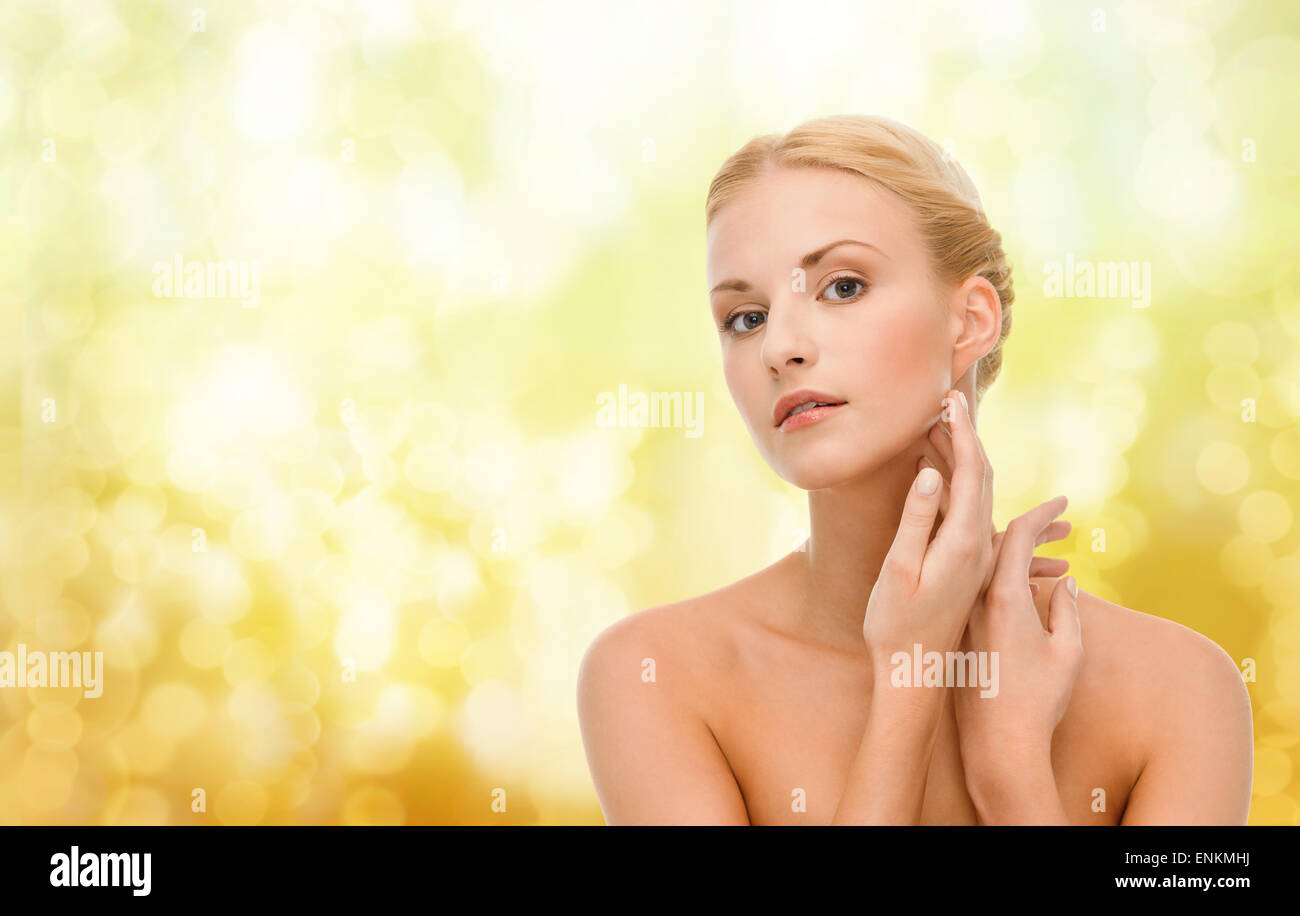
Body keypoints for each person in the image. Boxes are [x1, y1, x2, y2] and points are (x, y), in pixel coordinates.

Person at [577, 114, 1253, 825]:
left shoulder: (1184, 690)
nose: (779, 346)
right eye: (745, 317)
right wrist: (911, 675)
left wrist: (1013, 773)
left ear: (969, 321)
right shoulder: (651, 677)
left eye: (841, 286)